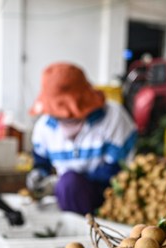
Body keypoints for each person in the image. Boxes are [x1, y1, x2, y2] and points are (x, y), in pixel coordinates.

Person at [26, 62, 137, 214]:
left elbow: (117, 171)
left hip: (108, 196)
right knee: (68, 184)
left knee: (69, 183)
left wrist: (62, 182)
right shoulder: (44, 128)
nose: (66, 116)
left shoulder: (113, 118)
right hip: (68, 197)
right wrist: (39, 174)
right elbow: (41, 161)